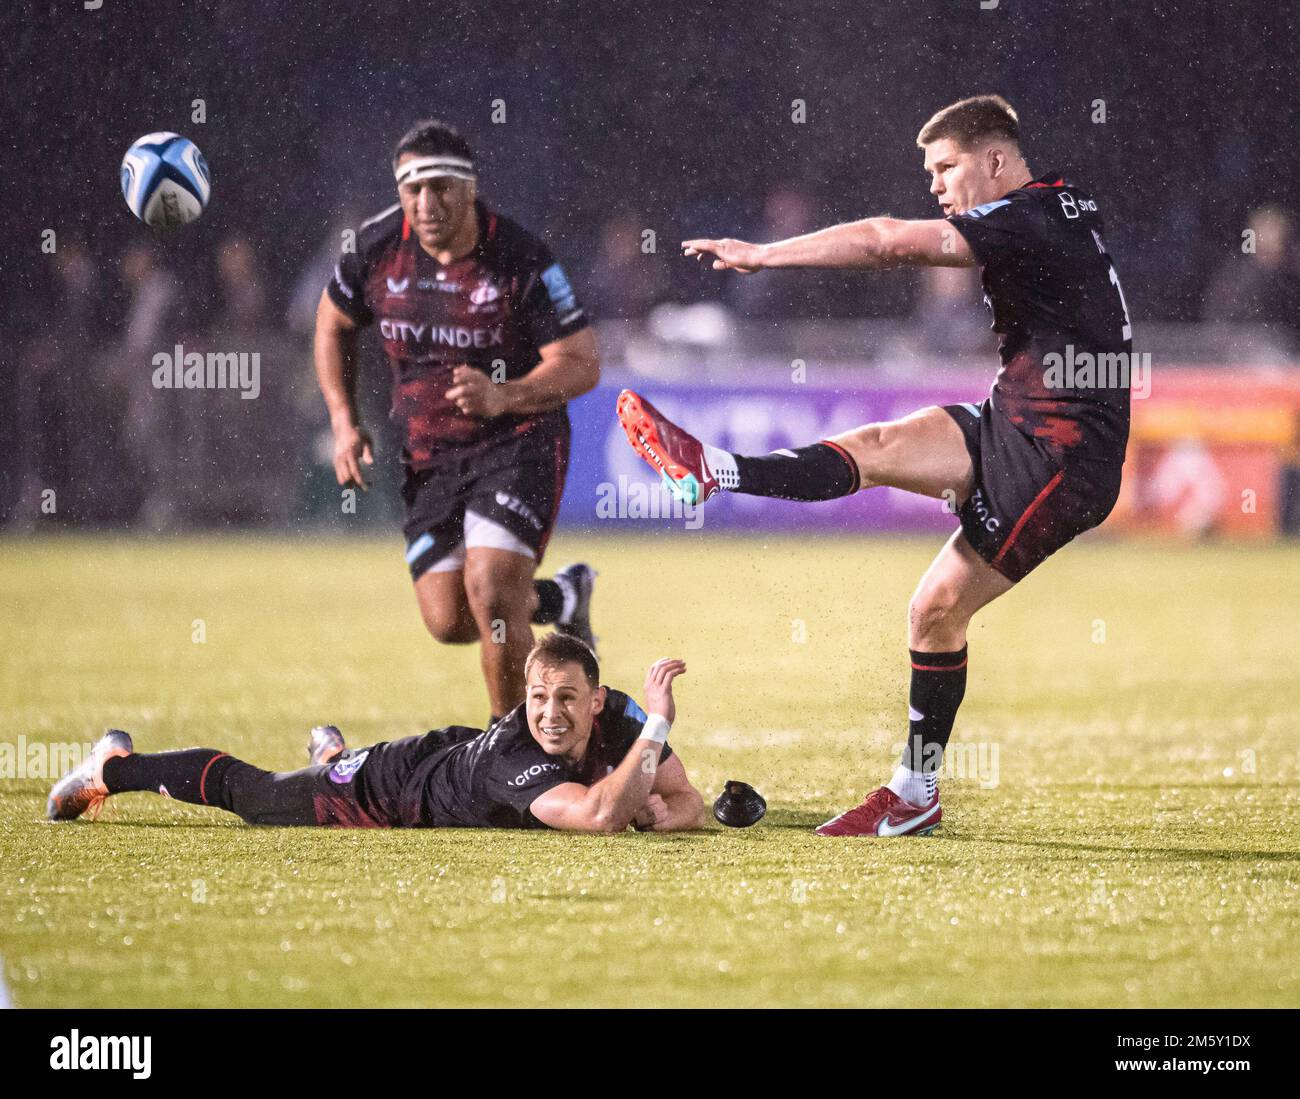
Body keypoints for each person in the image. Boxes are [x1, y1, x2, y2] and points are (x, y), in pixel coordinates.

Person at [617, 95, 1133, 837]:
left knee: (934, 611)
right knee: (882, 446)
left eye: (945, 167)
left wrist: (765, 254)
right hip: (1015, 420)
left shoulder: (1027, 217)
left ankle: (915, 793)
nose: (936, 185)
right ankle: (713, 469)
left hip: (1063, 456)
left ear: (995, 160)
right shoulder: (1060, 202)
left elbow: (886, 241)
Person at [314, 119, 601, 725]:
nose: (427, 203)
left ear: (471, 188)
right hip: (430, 456)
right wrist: (343, 420)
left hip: (518, 442)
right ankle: (560, 599)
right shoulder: (373, 249)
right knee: (448, 620)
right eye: (413, 189)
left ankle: (512, 752)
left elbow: (582, 362)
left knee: (493, 591)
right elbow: (332, 324)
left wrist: (504, 394)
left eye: (441, 187)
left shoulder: (521, 259)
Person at [47, 635, 706, 834]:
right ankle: (114, 765)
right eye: (538, 698)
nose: (551, 713)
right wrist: (658, 729)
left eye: (566, 698)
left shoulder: (620, 716)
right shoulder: (519, 754)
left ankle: (332, 753)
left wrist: (658, 813)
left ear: (597, 700)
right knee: (259, 797)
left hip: (451, 758)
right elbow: (598, 816)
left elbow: (688, 802)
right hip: (390, 787)